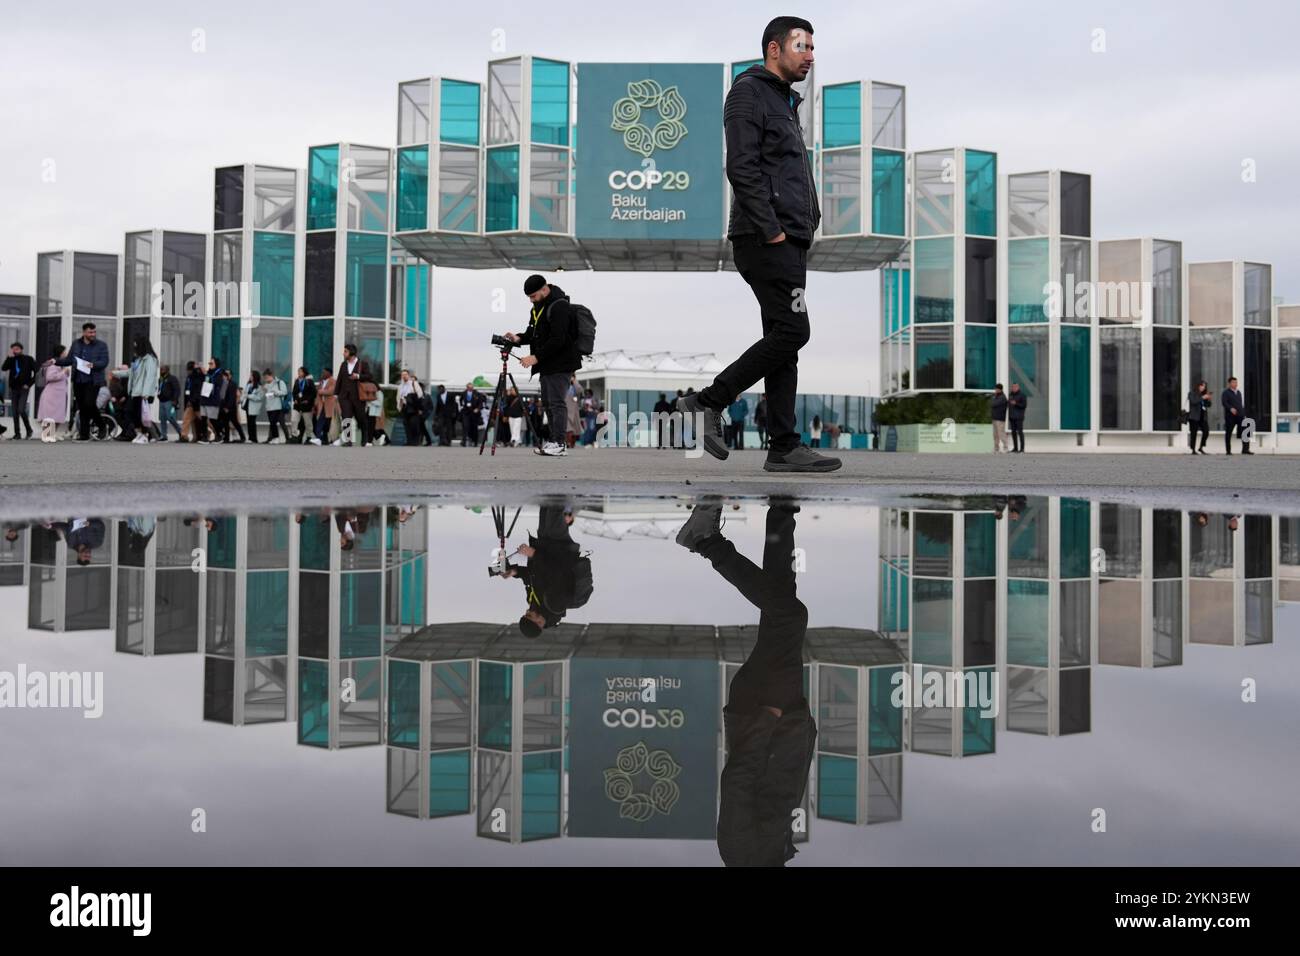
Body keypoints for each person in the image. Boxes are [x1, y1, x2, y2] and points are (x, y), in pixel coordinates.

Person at [676, 20, 834, 473]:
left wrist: (808, 221)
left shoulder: (783, 100)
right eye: (801, 46)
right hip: (766, 239)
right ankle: (708, 402)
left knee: (783, 340)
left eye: (812, 48)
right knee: (793, 332)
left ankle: (784, 446)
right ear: (773, 49)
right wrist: (772, 230)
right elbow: (740, 167)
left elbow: (786, 170)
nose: (809, 55)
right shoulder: (748, 93)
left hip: (788, 238)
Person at [675, 498, 815, 866]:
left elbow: (737, 782)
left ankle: (705, 541)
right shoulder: (768, 858)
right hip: (784, 716)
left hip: (763, 711)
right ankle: (781, 515)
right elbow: (784, 792)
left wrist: (769, 719)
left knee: (789, 614)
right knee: (781, 595)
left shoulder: (741, 855)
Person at [502, 274, 582, 458]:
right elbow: (533, 333)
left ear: (545, 289)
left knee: (556, 403)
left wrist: (535, 357)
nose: (531, 300)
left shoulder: (559, 305)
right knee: (547, 403)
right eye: (529, 297)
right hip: (547, 364)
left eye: (534, 296)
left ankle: (559, 443)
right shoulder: (538, 308)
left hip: (561, 363)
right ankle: (554, 441)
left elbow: (558, 339)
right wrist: (518, 338)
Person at [500, 505, 587, 637]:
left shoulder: (533, 603)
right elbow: (556, 570)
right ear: (540, 622)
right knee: (555, 506)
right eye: (529, 615)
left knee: (546, 507)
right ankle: (570, 497)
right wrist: (533, 554)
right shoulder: (555, 605)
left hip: (545, 545)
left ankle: (568, 514)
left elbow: (533, 575)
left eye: (525, 614)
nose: (527, 611)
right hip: (560, 549)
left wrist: (514, 572)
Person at [56, 322, 110, 441]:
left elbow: (104, 362)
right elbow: (69, 360)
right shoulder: (76, 344)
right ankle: (84, 434)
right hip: (79, 379)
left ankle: (102, 426)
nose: (93, 334)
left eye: (94, 332)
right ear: (84, 332)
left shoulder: (101, 345)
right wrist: (55, 361)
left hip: (93, 380)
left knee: (89, 404)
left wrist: (93, 365)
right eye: (90, 332)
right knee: (82, 407)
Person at [111, 336, 160, 443]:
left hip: (143, 392)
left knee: (140, 414)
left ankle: (145, 434)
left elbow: (150, 376)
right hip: (135, 391)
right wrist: (116, 373)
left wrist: (146, 392)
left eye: (136, 345)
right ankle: (139, 433)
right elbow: (130, 372)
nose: (134, 347)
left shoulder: (150, 359)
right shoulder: (138, 360)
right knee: (131, 413)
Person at [335, 343, 375, 447]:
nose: (343, 353)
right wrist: (336, 394)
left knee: (360, 418)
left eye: (345, 351)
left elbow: (370, 376)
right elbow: (339, 379)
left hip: (358, 396)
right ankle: (348, 440)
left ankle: (364, 438)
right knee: (346, 417)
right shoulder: (343, 364)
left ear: (351, 353)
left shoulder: (362, 364)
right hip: (344, 396)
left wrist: (358, 376)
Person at [2, 342, 37, 439]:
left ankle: (29, 429)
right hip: (14, 388)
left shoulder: (28, 359)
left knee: (21, 409)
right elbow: (3, 368)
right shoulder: (12, 360)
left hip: (24, 388)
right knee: (14, 412)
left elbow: (36, 372)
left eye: (17, 349)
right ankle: (17, 433)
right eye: (13, 349)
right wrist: (9, 358)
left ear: (21, 349)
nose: (15, 350)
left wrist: (29, 384)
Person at [36, 345, 71, 442]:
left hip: (59, 394)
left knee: (58, 414)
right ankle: (47, 435)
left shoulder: (60, 364)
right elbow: (50, 377)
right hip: (52, 393)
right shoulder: (53, 364)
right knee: (49, 414)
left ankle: (52, 433)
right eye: (65, 351)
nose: (67, 353)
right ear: (61, 353)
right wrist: (63, 372)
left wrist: (64, 373)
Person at [1221, 376, 1252, 455]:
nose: (1235, 384)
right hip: (1230, 416)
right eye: (1234, 382)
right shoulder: (1226, 393)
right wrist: (1231, 408)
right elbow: (1224, 403)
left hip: (1240, 415)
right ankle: (1228, 451)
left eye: (1236, 382)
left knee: (1245, 431)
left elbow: (1240, 404)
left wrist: (1243, 414)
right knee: (1229, 433)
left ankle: (1245, 449)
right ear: (1229, 383)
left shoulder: (1238, 392)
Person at [198, 357, 225, 443]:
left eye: (211, 363)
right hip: (204, 398)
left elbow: (217, 383)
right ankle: (205, 437)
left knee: (213, 419)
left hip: (212, 400)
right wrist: (203, 373)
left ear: (216, 364)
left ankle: (219, 435)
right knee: (203, 418)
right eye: (209, 363)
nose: (209, 365)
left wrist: (206, 374)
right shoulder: (208, 373)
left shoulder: (219, 373)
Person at [398, 369, 425, 446]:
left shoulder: (414, 383)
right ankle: (409, 441)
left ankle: (415, 441)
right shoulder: (400, 386)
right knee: (406, 425)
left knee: (414, 424)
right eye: (402, 375)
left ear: (408, 375)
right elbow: (398, 397)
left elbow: (420, 395)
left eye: (405, 374)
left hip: (413, 407)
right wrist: (399, 407)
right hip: (404, 407)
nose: (404, 376)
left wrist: (420, 408)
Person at [289, 367, 316, 443]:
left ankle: (309, 437)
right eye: (298, 371)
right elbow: (294, 392)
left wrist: (308, 400)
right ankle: (294, 435)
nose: (298, 373)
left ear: (304, 372)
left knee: (308, 422)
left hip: (306, 405)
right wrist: (295, 399)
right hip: (297, 405)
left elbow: (313, 393)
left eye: (300, 371)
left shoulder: (309, 381)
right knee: (294, 420)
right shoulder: (297, 381)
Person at [157, 364, 183, 441]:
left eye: (163, 369)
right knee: (162, 419)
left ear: (167, 370)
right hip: (162, 401)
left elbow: (177, 390)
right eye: (161, 369)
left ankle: (181, 432)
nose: (161, 371)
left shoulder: (172, 378)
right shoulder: (160, 379)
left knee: (171, 418)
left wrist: (175, 400)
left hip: (169, 401)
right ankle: (164, 435)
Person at [312, 366, 337, 446]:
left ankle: (330, 439)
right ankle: (318, 438)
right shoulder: (321, 382)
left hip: (330, 405)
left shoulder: (333, 381)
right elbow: (317, 394)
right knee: (320, 421)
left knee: (328, 423)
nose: (322, 374)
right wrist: (315, 405)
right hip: (321, 405)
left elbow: (331, 391)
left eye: (324, 372)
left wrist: (320, 391)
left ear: (329, 373)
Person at [262, 368, 288, 444]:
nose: (265, 379)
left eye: (266, 377)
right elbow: (267, 395)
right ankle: (273, 437)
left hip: (277, 406)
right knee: (271, 423)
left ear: (271, 376)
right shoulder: (266, 385)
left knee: (274, 422)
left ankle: (277, 438)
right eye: (265, 378)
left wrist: (275, 392)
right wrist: (265, 392)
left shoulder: (279, 382)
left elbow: (284, 392)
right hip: (269, 406)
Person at [182, 360, 206, 442]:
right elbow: (187, 390)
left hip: (196, 402)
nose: (187, 371)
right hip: (191, 402)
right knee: (187, 419)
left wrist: (191, 401)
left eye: (189, 370)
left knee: (202, 419)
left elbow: (196, 391)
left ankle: (214, 432)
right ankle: (185, 436)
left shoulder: (198, 377)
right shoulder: (190, 378)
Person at [221, 369, 245, 443]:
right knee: (225, 423)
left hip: (231, 407)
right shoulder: (224, 383)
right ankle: (226, 438)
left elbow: (232, 397)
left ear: (230, 375)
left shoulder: (233, 384)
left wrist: (228, 407)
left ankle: (242, 437)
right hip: (224, 406)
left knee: (235, 422)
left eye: (228, 374)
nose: (226, 376)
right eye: (225, 374)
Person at [1187, 380, 1210, 455]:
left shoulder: (1204, 394)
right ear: (1198, 386)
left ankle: (1201, 446)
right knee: (1194, 433)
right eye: (1202, 386)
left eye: (1204, 386)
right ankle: (1193, 449)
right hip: (1194, 416)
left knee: (1206, 431)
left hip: (1203, 416)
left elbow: (1208, 405)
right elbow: (1193, 401)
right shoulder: (1192, 393)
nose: (1203, 388)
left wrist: (1208, 399)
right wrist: (1202, 397)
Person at [242, 371, 264, 442]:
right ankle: (250, 437)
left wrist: (249, 396)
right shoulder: (248, 385)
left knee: (252, 423)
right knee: (249, 422)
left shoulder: (259, 386)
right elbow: (244, 393)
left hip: (254, 407)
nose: (250, 377)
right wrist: (241, 400)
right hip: (247, 405)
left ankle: (254, 438)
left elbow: (259, 397)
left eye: (251, 375)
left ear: (255, 377)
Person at [460, 382, 482, 448]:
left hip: (474, 413)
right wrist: (462, 406)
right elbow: (461, 400)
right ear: (467, 387)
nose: (470, 389)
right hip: (466, 412)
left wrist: (478, 409)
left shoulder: (477, 393)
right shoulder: (463, 393)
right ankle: (464, 441)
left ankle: (475, 441)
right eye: (469, 387)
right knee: (465, 426)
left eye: (471, 387)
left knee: (474, 427)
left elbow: (480, 403)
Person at [1007, 382, 1027, 453]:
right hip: (1012, 417)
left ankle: (1022, 449)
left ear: (1018, 387)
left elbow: (1024, 405)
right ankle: (1015, 448)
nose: (1013, 388)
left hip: (1019, 417)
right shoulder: (1010, 395)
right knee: (1013, 432)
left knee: (1020, 432)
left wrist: (1016, 404)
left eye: (1015, 387)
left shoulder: (1022, 395)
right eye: (1012, 387)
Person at [990, 383, 1009, 453]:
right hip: (995, 418)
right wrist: (993, 399)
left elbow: (994, 404)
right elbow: (992, 403)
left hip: (1000, 419)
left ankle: (1006, 447)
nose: (995, 390)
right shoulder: (996, 396)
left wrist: (993, 400)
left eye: (996, 389)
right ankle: (996, 448)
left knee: (1001, 433)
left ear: (999, 389)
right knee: (995, 435)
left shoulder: (1002, 397)